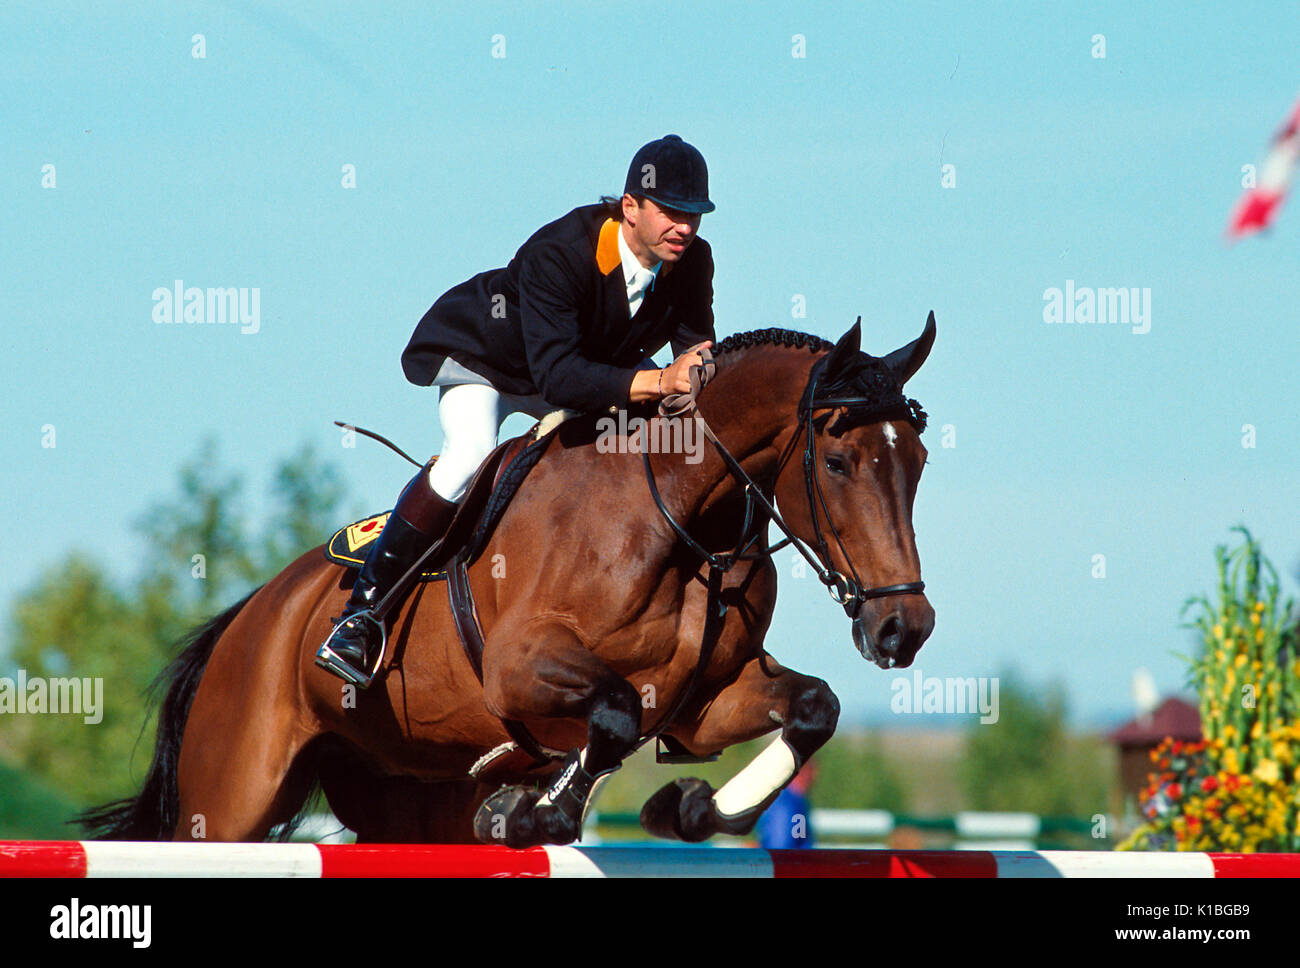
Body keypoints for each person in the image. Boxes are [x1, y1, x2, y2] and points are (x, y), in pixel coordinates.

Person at [316, 134, 718, 687]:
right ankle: (362, 614)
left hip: (584, 370)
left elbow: (694, 347)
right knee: (469, 457)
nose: (685, 228)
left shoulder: (693, 261)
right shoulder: (561, 250)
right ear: (630, 207)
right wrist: (657, 381)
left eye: (695, 215)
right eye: (672, 212)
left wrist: (698, 376)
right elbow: (559, 377)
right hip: (491, 363)